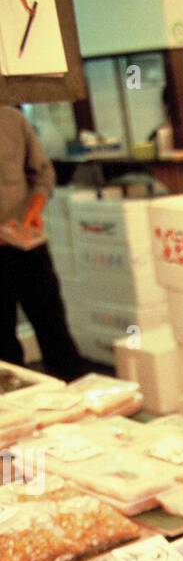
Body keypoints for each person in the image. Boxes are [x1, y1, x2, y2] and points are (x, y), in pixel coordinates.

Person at [0, 106, 84, 381]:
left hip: (27, 245)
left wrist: (35, 209)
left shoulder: (13, 119)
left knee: (54, 329)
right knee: (3, 346)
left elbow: (43, 174)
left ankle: (78, 402)